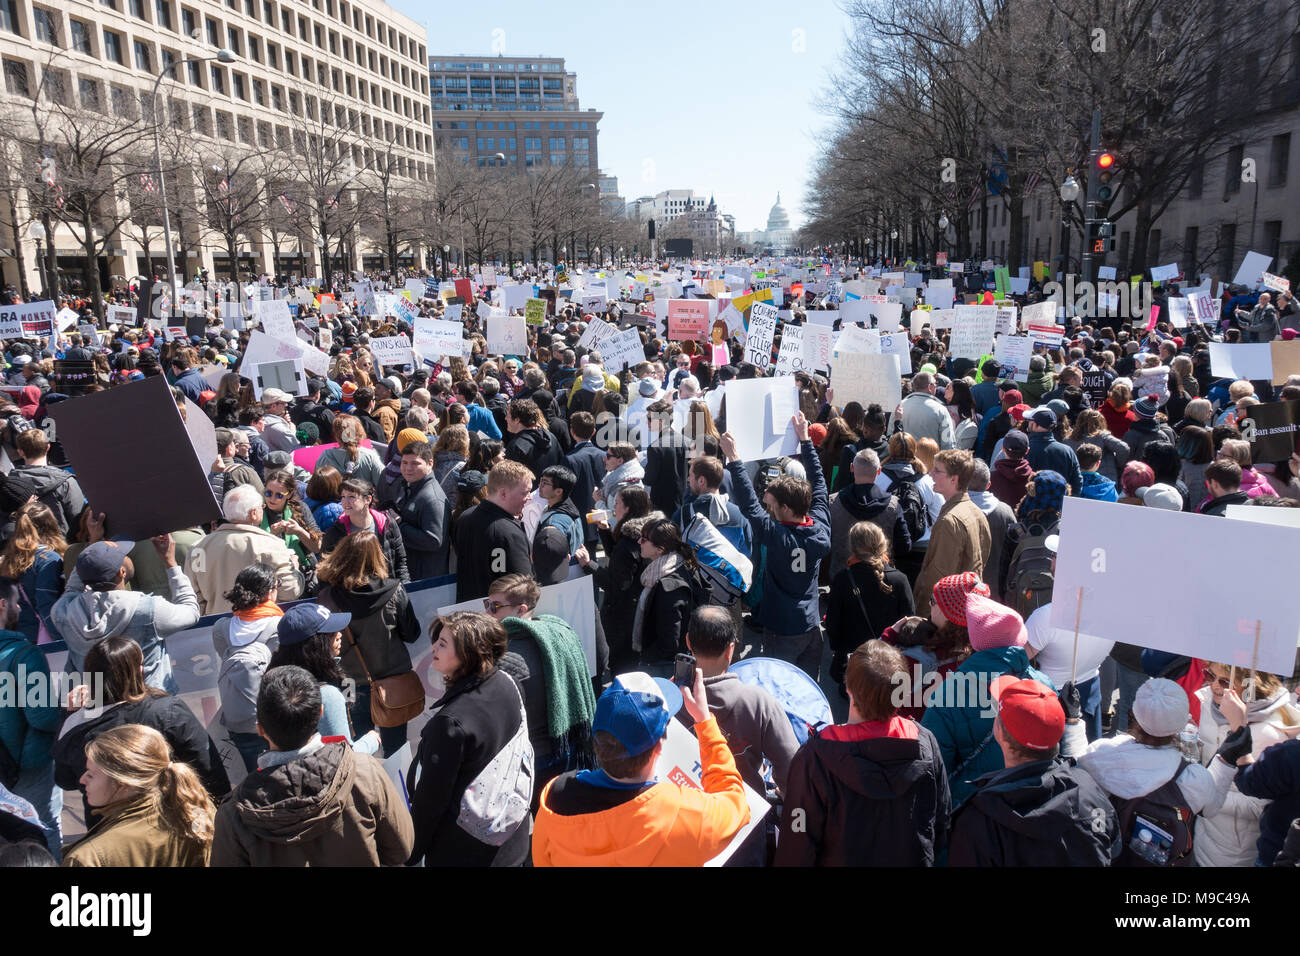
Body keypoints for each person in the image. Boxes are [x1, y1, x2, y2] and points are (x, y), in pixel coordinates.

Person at [532, 669, 750, 867]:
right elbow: (736, 804)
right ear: (658, 747)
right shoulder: (687, 813)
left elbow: (541, 860)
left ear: (597, 742)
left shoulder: (555, 798)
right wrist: (704, 722)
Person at [211, 665, 415, 866]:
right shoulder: (364, 771)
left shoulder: (233, 814)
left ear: (260, 729)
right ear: (320, 713)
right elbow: (401, 849)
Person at [777, 639, 950, 865]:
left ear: (848, 687)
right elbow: (941, 822)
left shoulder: (814, 757)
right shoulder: (925, 742)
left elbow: (796, 842)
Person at [1062, 677, 1240, 866]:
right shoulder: (1194, 778)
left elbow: (1077, 767)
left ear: (1134, 715)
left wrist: (1072, 721)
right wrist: (1225, 762)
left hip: (1108, 856)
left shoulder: (1102, 754)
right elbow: (1211, 809)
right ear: (1183, 723)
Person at [948, 677, 1120, 866]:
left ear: (999, 732)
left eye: (999, 713)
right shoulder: (1090, 792)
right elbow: (1113, 848)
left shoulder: (979, 820)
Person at [407, 611, 532, 867]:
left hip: (463, 852)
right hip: (512, 838)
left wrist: (409, 854)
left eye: (442, 644)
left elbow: (430, 803)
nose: (433, 648)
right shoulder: (508, 682)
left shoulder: (450, 724)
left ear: (468, 654)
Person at [722, 412, 831, 680]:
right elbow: (818, 482)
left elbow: (749, 504)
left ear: (785, 507)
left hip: (780, 628)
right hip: (809, 625)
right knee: (806, 685)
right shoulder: (820, 528)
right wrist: (806, 441)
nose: (767, 509)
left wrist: (735, 459)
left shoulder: (776, 535)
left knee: (777, 686)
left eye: (771, 506)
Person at [921, 592, 1052, 810]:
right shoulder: (1044, 686)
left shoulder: (949, 692)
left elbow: (933, 765)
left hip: (968, 812)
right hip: (1030, 806)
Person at [485, 574, 596, 799]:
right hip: (569, 745)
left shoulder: (506, 657)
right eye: (487, 604)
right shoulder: (559, 632)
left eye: (495, 606)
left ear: (521, 609)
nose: (488, 612)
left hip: (536, 756)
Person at [315, 531, 422, 758]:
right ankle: (398, 792)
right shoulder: (394, 590)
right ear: (377, 557)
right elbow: (412, 634)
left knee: (358, 754)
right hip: (391, 684)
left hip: (349, 684)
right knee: (396, 752)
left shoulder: (327, 598)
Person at [52, 533, 198, 692]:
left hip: (100, 709)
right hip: (150, 706)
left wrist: (92, 554)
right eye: (124, 555)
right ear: (121, 572)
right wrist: (171, 563)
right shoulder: (147, 609)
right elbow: (191, 612)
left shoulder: (62, 613)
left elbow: (72, 589)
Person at [1193, 663, 1300, 867]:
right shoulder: (1210, 702)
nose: (1214, 685)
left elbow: (1259, 804)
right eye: (1209, 675)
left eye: (1224, 681)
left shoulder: (1268, 732)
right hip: (1204, 832)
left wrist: (1206, 795)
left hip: (1235, 851)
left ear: (1250, 684)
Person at [64, 724, 215, 867]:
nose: (82, 779)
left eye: (90, 775)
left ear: (123, 783)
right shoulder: (198, 810)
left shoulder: (88, 858)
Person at [0, 578, 62, 859]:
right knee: (39, 831)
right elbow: (43, 718)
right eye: (15, 603)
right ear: (2, 606)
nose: (20, 610)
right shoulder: (24, 656)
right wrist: (66, 709)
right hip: (25, 769)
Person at [268, 603, 381, 754]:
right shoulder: (327, 695)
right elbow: (343, 758)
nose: (339, 634)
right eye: (330, 632)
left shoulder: (271, 686)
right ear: (315, 643)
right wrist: (371, 741)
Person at [185, 485, 303, 615]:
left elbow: (193, 596)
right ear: (253, 513)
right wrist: (295, 568)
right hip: (257, 624)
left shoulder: (198, 548)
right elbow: (290, 591)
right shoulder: (271, 545)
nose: (263, 510)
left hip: (212, 626)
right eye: (261, 507)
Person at [826, 522, 914, 695]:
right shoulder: (900, 579)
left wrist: (838, 648)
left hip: (854, 665)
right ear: (883, 545)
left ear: (853, 547)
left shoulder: (843, 579)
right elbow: (908, 623)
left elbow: (833, 625)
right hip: (888, 667)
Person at [210, 564, 282, 772]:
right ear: (270, 592)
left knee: (253, 777)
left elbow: (226, 659)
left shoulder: (222, 628)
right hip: (273, 718)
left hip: (238, 720)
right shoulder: (279, 624)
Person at [576, 487, 654, 675]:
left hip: (622, 619)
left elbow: (616, 584)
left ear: (627, 509)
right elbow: (620, 561)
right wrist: (605, 531)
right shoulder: (643, 535)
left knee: (622, 668)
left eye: (617, 502)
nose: (613, 506)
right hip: (637, 612)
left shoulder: (628, 543)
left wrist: (588, 564)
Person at [913, 450, 991, 618]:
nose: (931, 474)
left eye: (937, 471)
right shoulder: (977, 512)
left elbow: (938, 576)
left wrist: (923, 616)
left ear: (954, 479)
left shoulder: (949, 521)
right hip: (965, 610)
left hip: (945, 616)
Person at [632, 517, 706, 677]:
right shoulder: (680, 564)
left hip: (663, 667)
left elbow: (670, 641)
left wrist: (648, 658)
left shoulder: (668, 587)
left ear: (660, 549)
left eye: (644, 539)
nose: (639, 541)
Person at [453, 460, 534, 602]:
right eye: (525, 492)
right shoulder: (509, 533)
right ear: (503, 493)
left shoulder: (464, 518)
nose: (530, 497)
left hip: (468, 614)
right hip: (498, 617)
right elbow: (524, 588)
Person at [826, 447, 911, 580]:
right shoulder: (893, 505)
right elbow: (904, 546)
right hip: (881, 576)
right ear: (879, 471)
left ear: (851, 468)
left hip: (842, 577)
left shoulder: (833, 502)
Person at [321, 477, 409, 583]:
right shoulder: (335, 532)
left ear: (368, 500)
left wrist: (405, 589)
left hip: (386, 590)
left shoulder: (387, 523)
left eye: (352, 497)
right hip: (351, 595)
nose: (345, 502)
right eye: (343, 497)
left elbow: (401, 562)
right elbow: (325, 570)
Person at [0, 500, 64, 643]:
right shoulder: (48, 559)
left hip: (17, 643)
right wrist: (60, 641)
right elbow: (46, 604)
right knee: (42, 666)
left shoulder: (7, 560)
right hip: (43, 643)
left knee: (22, 667)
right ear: (51, 525)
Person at [11, 428, 85, 536]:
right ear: (48, 447)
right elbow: (79, 518)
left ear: (20, 452)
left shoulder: (9, 485)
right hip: (63, 545)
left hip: (25, 546)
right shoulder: (66, 482)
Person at [396, 440, 452, 580]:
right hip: (413, 571)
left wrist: (398, 524)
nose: (408, 468)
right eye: (405, 463)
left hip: (425, 578)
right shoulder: (411, 486)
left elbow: (433, 540)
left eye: (415, 463)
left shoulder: (432, 499)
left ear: (430, 463)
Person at [259, 468, 323, 569]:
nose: (272, 499)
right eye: (268, 493)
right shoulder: (257, 510)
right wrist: (272, 536)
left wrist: (299, 532)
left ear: (289, 494)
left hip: (302, 568)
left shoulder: (300, 508)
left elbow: (317, 547)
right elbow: (253, 550)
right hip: (269, 568)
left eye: (279, 495)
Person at [643, 399, 690, 514]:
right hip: (686, 502)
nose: (646, 422)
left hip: (662, 507)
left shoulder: (655, 447)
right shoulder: (689, 442)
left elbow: (649, 479)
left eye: (649, 419)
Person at [1024, 407, 1082, 495]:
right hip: (1059, 505)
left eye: (1029, 421)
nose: (1028, 423)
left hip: (1031, 505)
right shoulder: (1067, 451)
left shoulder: (1025, 449)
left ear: (1035, 424)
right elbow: (1077, 483)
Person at [314, 415, 384, 486]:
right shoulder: (370, 456)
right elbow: (383, 485)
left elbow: (317, 485)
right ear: (359, 433)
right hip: (363, 496)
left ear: (336, 436)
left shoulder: (325, 456)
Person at [505, 398, 562, 482]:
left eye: (508, 415)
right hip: (550, 491)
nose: (505, 418)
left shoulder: (516, 447)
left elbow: (512, 481)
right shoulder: (551, 437)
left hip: (528, 493)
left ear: (517, 420)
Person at [900, 370, 957, 449]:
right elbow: (948, 443)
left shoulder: (900, 406)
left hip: (904, 458)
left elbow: (891, 435)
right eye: (935, 384)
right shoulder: (940, 409)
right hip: (931, 459)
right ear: (930, 387)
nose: (936, 387)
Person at [258, 388, 301, 453]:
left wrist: (283, 422)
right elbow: (296, 450)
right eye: (283, 403)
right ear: (273, 406)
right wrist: (292, 431)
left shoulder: (258, 423)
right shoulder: (280, 430)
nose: (286, 405)